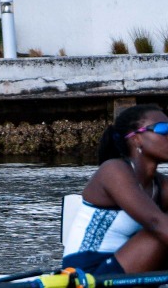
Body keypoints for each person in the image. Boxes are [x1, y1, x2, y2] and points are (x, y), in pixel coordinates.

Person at [61, 102, 168, 277]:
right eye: (163, 129)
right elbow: (156, 223)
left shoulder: (159, 185)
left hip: (128, 266)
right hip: (86, 275)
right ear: (136, 138)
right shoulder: (113, 171)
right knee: (159, 228)